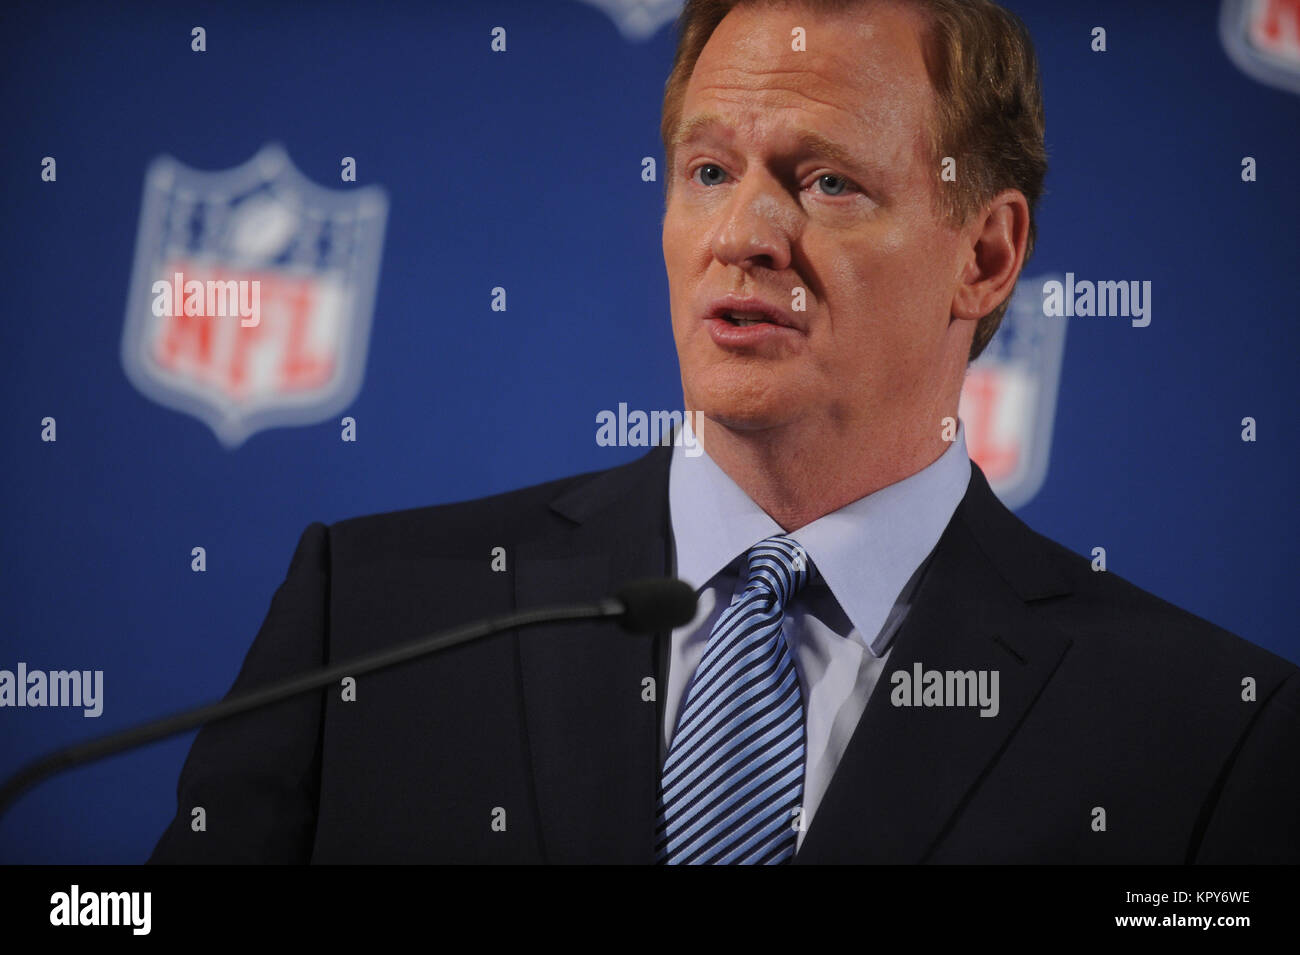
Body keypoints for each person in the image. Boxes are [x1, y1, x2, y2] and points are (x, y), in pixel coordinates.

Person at [149, 0, 1300, 864]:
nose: (741, 232)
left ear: (985, 253)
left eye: (827, 182)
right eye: (707, 170)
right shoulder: (377, 616)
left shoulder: (1207, 732)